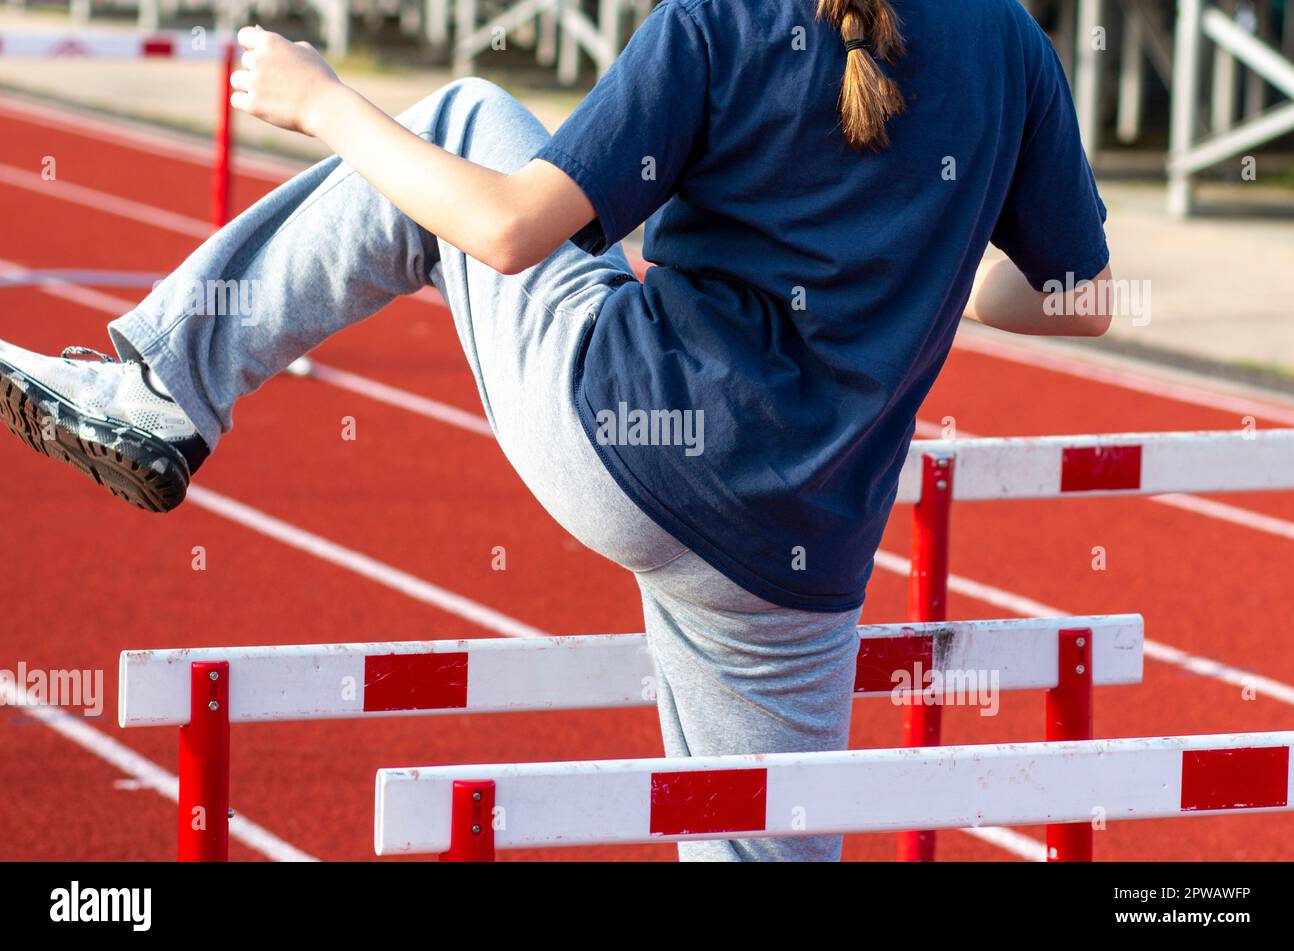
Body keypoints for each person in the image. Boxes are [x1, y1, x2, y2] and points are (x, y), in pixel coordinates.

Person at [0, 0, 1112, 860]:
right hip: (800, 548)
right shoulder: (1013, 45)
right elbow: (1085, 297)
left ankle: (164, 388)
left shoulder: (715, 18)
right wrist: (935, 270)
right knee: (762, 841)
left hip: (635, 446)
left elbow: (506, 227)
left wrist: (324, 104)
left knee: (458, 119)